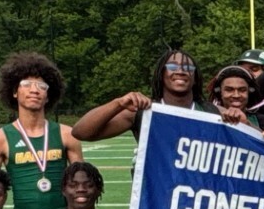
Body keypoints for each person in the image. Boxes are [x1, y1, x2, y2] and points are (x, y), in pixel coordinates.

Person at [0, 52, 81, 209]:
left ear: (49, 95)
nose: (34, 90)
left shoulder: (67, 134)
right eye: (26, 84)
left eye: (42, 86)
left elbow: (81, 183)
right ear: (14, 91)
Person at [72, 48, 212, 143]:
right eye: (172, 67)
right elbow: (80, 132)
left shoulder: (213, 114)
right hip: (155, 187)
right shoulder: (143, 112)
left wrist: (233, 115)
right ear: (161, 74)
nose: (181, 71)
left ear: (195, 78)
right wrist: (119, 103)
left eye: (188, 68)